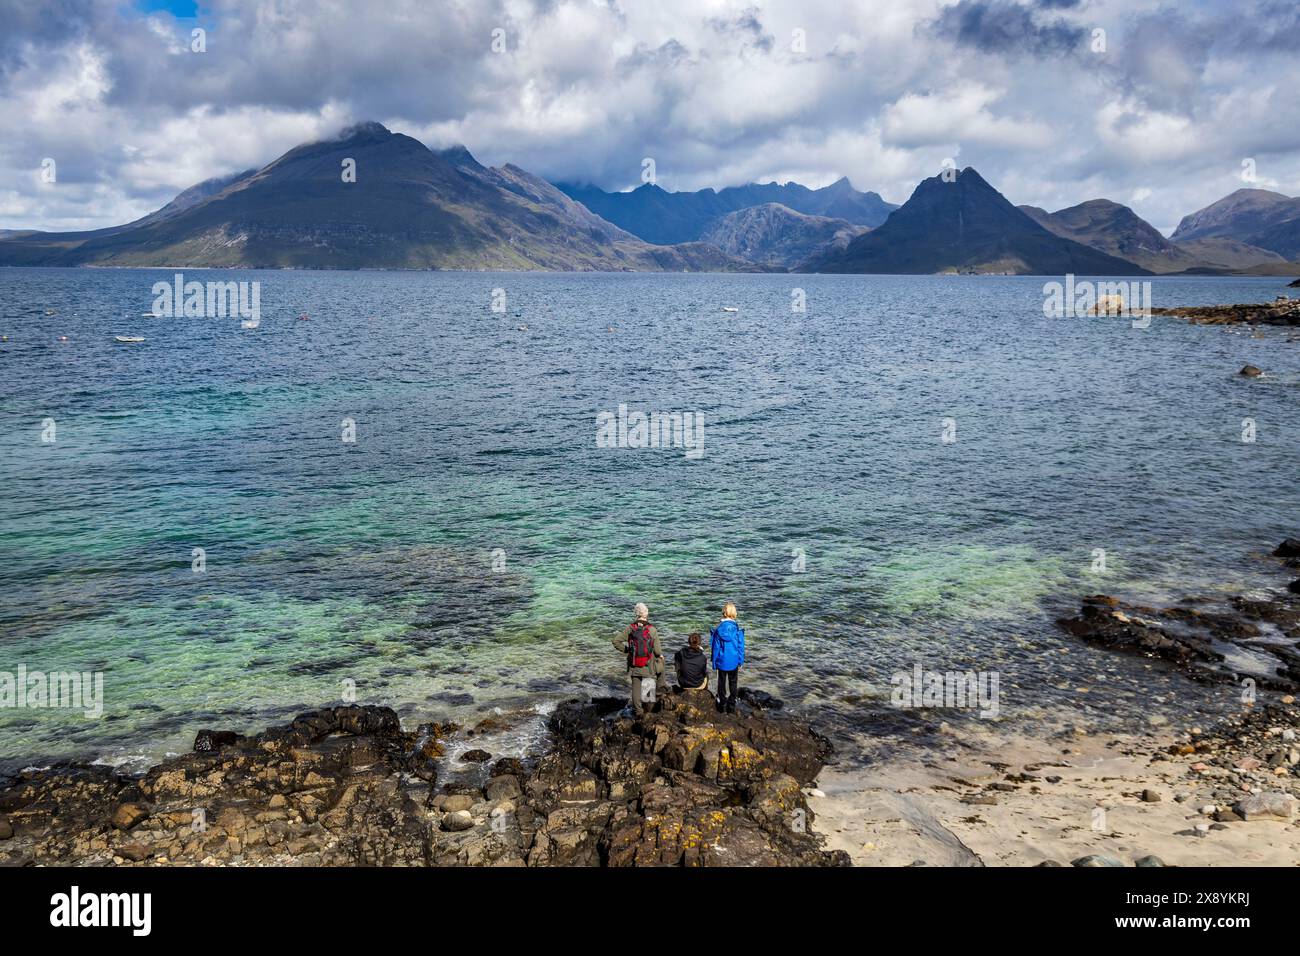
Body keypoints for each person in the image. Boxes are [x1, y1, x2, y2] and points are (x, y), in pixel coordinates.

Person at [611, 602, 662, 716]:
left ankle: (638, 711)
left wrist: (628, 650)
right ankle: (648, 711)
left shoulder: (631, 628)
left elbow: (615, 641)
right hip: (648, 666)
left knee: (636, 689)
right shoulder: (652, 630)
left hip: (634, 664)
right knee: (648, 686)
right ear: (646, 614)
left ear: (636, 614)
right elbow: (658, 651)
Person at [710, 602, 745, 713]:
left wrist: (714, 663)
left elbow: (715, 648)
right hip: (733, 661)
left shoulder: (719, 630)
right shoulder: (737, 629)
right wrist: (740, 660)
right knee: (733, 683)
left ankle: (722, 705)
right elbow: (740, 647)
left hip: (721, 661)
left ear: (724, 613)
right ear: (734, 613)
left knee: (721, 683)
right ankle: (731, 705)